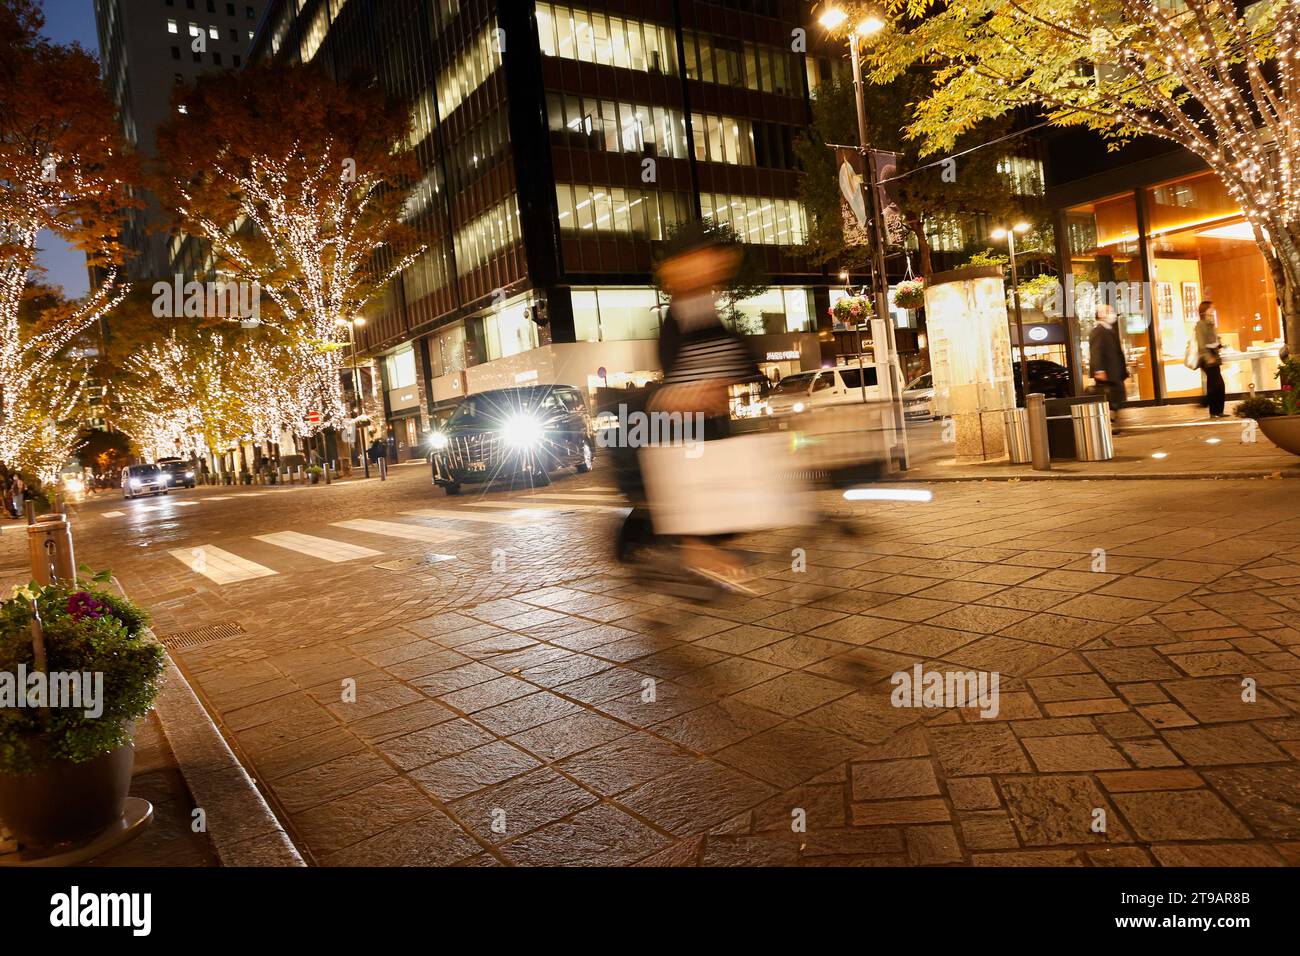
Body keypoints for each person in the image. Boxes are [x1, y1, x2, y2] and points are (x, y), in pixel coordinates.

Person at [650, 223, 764, 591]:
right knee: (698, 470)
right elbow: (687, 358)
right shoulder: (683, 313)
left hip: (705, 419)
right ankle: (694, 550)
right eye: (701, 260)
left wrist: (748, 372)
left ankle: (706, 547)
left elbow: (728, 347)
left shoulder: (701, 307)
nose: (711, 268)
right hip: (685, 422)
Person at [1088, 303, 1128, 435]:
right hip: (1107, 373)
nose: (1113, 314)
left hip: (1114, 371)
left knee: (1116, 398)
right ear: (1101, 314)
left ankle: (1111, 422)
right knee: (1111, 398)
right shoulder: (1099, 331)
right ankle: (1109, 424)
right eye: (1109, 311)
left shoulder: (1109, 330)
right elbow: (1096, 351)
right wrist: (1099, 370)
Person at [1196, 300, 1226, 418]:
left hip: (1214, 356)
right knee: (1216, 384)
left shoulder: (1210, 323)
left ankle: (1217, 411)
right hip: (1207, 358)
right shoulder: (1200, 324)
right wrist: (1208, 357)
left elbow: (1214, 339)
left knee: (1217, 385)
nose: (1213, 310)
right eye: (1211, 308)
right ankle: (1207, 404)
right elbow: (1202, 343)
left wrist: (1219, 343)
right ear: (1205, 310)